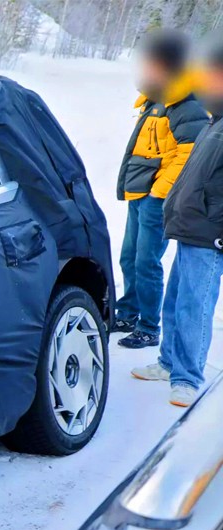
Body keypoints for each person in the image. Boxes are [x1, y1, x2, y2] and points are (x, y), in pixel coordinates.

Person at [133, 36, 223, 407]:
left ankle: (188, 377)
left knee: (195, 304)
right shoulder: (214, 121)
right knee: (174, 300)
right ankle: (169, 363)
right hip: (190, 226)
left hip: (209, 233)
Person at [115, 29, 208, 350]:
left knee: (146, 262)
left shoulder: (186, 103)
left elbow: (189, 150)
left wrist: (160, 191)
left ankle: (148, 326)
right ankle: (128, 312)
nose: (145, 68)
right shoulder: (156, 98)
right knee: (129, 258)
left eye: (151, 62)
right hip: (139, 193)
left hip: (156, 198)